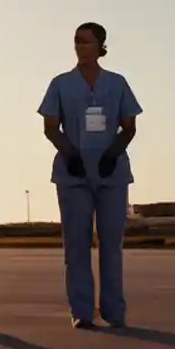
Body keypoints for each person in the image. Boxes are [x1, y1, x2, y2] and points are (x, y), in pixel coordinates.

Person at [37, 22, 142, 329]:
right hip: (74, 175)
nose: (80, 47)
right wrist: (71, 155)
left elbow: (130, 125)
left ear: (100, 46)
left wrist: (112, 154)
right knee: (76, 245)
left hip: (112, 174)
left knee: (111, 245)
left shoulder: (117, 83)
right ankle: (81, 311)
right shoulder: (61, 83)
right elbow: (50, 127)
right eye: (76, 42)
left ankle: (114, 311)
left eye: (86, 42)